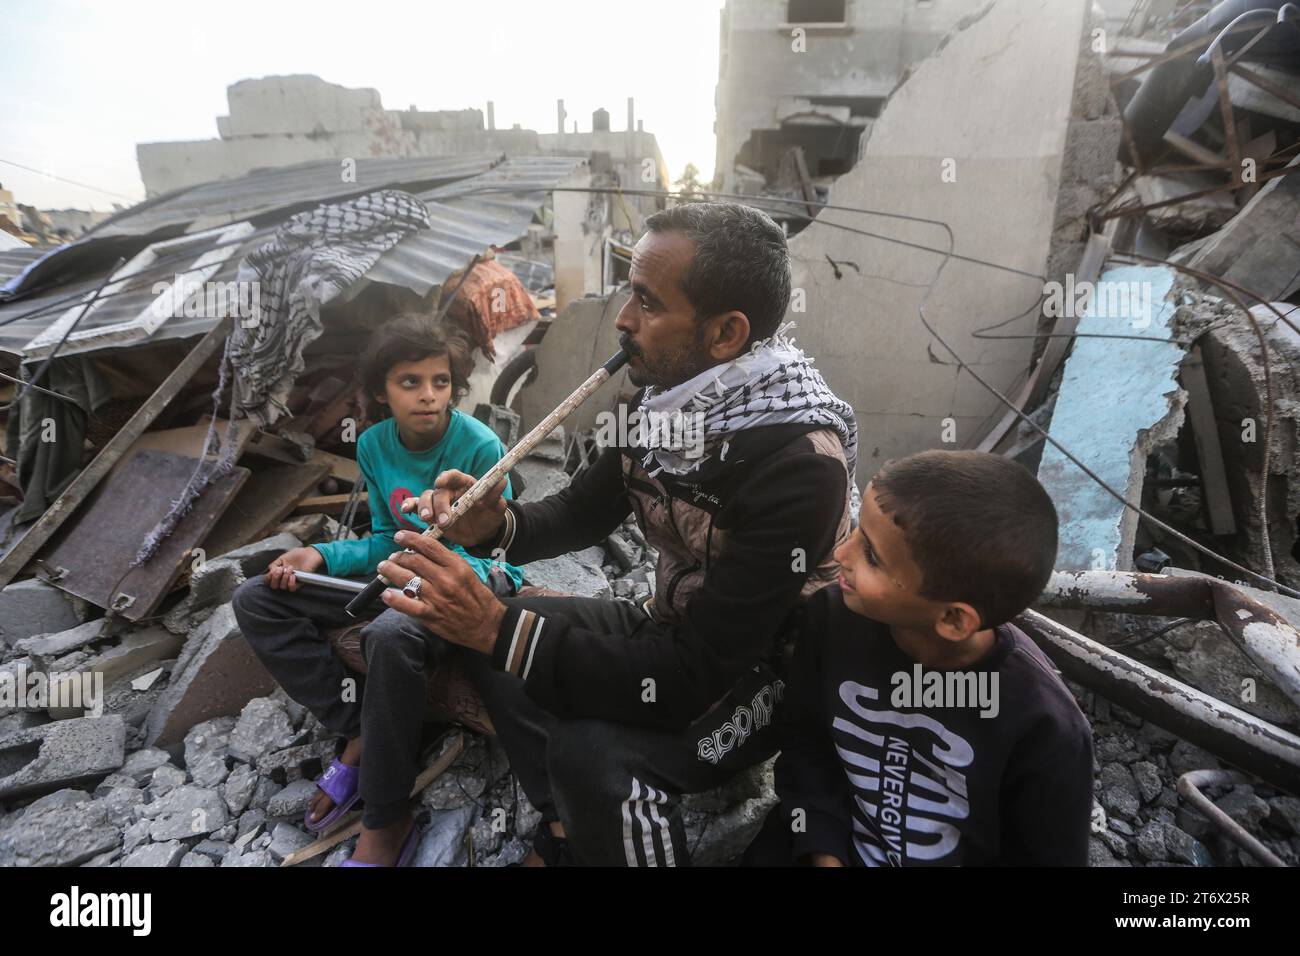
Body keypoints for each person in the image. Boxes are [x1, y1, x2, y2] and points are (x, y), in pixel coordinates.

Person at [373, 201, 860, 865]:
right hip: (674, 627)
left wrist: (491, 626)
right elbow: (580, 513)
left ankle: (614, 819)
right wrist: (498, 523)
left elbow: (693, 674)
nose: (625, 322)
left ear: (725, 334)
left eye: (649, 304)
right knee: (509, 642)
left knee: (591, 748)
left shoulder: (797, 465)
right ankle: (568, 829)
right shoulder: (660, 400)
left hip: (764, 675)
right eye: (630, 295)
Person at [231, 314, 522, 866]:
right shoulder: (373, 444)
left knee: (389, 633)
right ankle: (362, 727)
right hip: (403, 568)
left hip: (467, 581)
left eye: (439, 381)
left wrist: (421, 571)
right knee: (256, 598)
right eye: (409, 382)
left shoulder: (480, 445)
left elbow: (496, 548)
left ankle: (387, 819)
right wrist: (320, 554)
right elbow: (388, 538)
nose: (428, 396)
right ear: (382, 392)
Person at [746, 449, 1092, 866]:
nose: (841, 553)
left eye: (872, 556)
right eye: (856, 529)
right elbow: (806, 743)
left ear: (951, 618)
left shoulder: (1044, 727)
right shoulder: (832, 618)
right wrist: (824, 853)